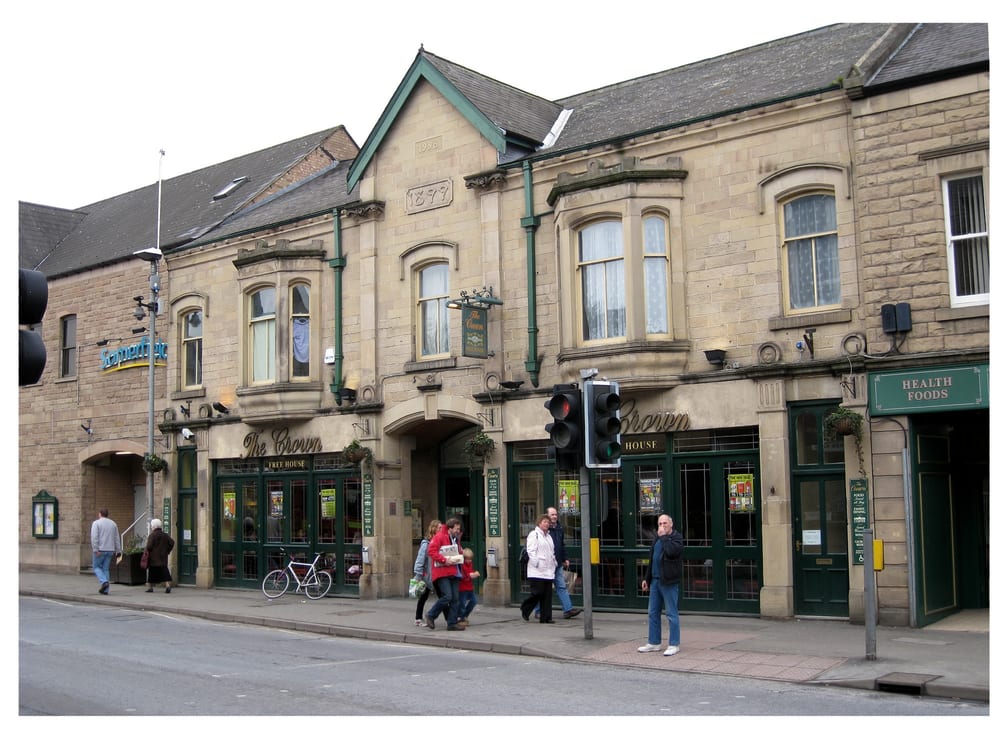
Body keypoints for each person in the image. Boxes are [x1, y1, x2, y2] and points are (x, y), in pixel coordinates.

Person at [637, 514, 684, 656]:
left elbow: (671, 552)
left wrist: (663, 537)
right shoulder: (657, 539)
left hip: (668, 581)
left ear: (671, 524)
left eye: (664, 523)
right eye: (659, 523)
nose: (662, 526)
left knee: (671, 613)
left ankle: (674, 644)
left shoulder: (676, 538)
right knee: (653, 613)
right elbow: (652, 558)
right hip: (655, 580)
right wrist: (647, 578)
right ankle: (654, 642)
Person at [534, 506, 581, 619]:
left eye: (555, 514)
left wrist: (565, 558)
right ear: (546, 516)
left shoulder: (559, 528)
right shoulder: (543, 530)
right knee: (543, 588)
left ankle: (568, 610)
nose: (554, 517)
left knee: (561, 586)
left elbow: (561, 545)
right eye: (552, 515)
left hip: (557, 564)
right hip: (546, 565)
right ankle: (538, 611)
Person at [424, 517, 466, 631]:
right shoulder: (439, 536)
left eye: (459, 529)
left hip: (454, 571)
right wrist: (444, 560)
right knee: (447, 596)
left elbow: (457, 551)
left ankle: (451, 623)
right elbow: (431, 551)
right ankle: (431, 615)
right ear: (450, 528)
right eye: (456, 529)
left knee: (455, 599)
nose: (458, 531)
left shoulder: (455, 538)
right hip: (443, 572)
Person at [520, 514, 556, 623]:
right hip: (537, 570)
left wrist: (554, 562)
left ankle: (546, 618)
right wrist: (537, 563)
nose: (546, 524)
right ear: (539, 523)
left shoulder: (549, 536)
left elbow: (551, 551)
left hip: (548, 570)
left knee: (547, 595)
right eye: (544, 522)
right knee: (538, 592)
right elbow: (531, 551)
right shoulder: (534, 534)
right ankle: (525, 607)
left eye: (548, 522)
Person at [413, 519, 441, 626]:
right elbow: (420, 560)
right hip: (427, 575)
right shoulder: (426, 544)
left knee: (441, 596)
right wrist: (418, 575)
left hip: (435, 574)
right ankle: (419, 618)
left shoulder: (438, 542)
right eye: (439, 528)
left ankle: (422, 617)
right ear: (434, 529)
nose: (441, 530)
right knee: (424, 596)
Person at [90, 509, 121, 595]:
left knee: (96, 567)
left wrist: (95, 549)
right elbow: (116, 538)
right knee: (106, 569)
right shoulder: (113, 524)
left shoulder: (96, 523)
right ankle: (106, 590)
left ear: (100, 514)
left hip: (100, 549)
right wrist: (118, 550)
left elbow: (94, 537)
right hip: (110, 549)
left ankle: (104, 582)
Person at [144, 518, 175, 593]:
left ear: (154, 526)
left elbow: (149, 546)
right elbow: (172, 542)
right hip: (163, 557)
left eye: (152, 526)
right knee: (164, 571)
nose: (151, 527)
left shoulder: (152, 535)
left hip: (153, 558)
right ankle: (168, 585)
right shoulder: (165, 535)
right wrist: (167, 550)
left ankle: (150, 587)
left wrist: (147, 551)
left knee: (151, 573)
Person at [456, 547, 481, 626]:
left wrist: (473, 574)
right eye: (467, 559)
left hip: (469, 587)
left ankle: (464, 615)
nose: (469, 561)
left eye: (470, 559)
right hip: (462, 587)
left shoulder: (470, 564)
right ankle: (461, 617)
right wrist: (473, 575)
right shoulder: (462, 565)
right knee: (462, 603)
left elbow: (469, 573)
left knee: (474, 601)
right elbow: (465, 576)